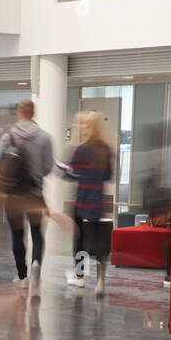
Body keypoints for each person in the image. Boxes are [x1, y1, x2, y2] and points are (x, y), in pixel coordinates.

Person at [0, 100, 55, 290]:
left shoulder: (7, 136)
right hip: (35, 192)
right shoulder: (45, 137)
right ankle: (36, 264)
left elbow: (0, 166)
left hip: (14, 196)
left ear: (18, 113)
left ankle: (22, 277)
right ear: (34, 113)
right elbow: (48, 167)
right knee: (37, 234)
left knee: (17, 235)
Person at [58, 111, 114, 295]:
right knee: (99, 243)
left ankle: (79, 277)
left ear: (90, 127)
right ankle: (100, 281)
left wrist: (63, 168)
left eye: (84, 125)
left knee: (79, 240)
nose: (80, 128)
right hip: (98, 200)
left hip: (82, 200)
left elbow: (70, 174)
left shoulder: (81, 150)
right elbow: (108, 176)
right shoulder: (106, 149)